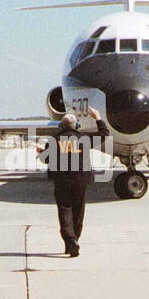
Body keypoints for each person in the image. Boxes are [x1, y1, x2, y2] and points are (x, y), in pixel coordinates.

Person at [41, 108, 109, 257]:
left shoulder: (54, 141)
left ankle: (71, 241)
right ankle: (74, 240)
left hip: (61, 181)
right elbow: (104, 134)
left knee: (65, 211)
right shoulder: (84, 138)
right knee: (78, 212)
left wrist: (41, 152)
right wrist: (97, 117)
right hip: (80, 180)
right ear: (76, 126)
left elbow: (45, 159)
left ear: (61, 126)